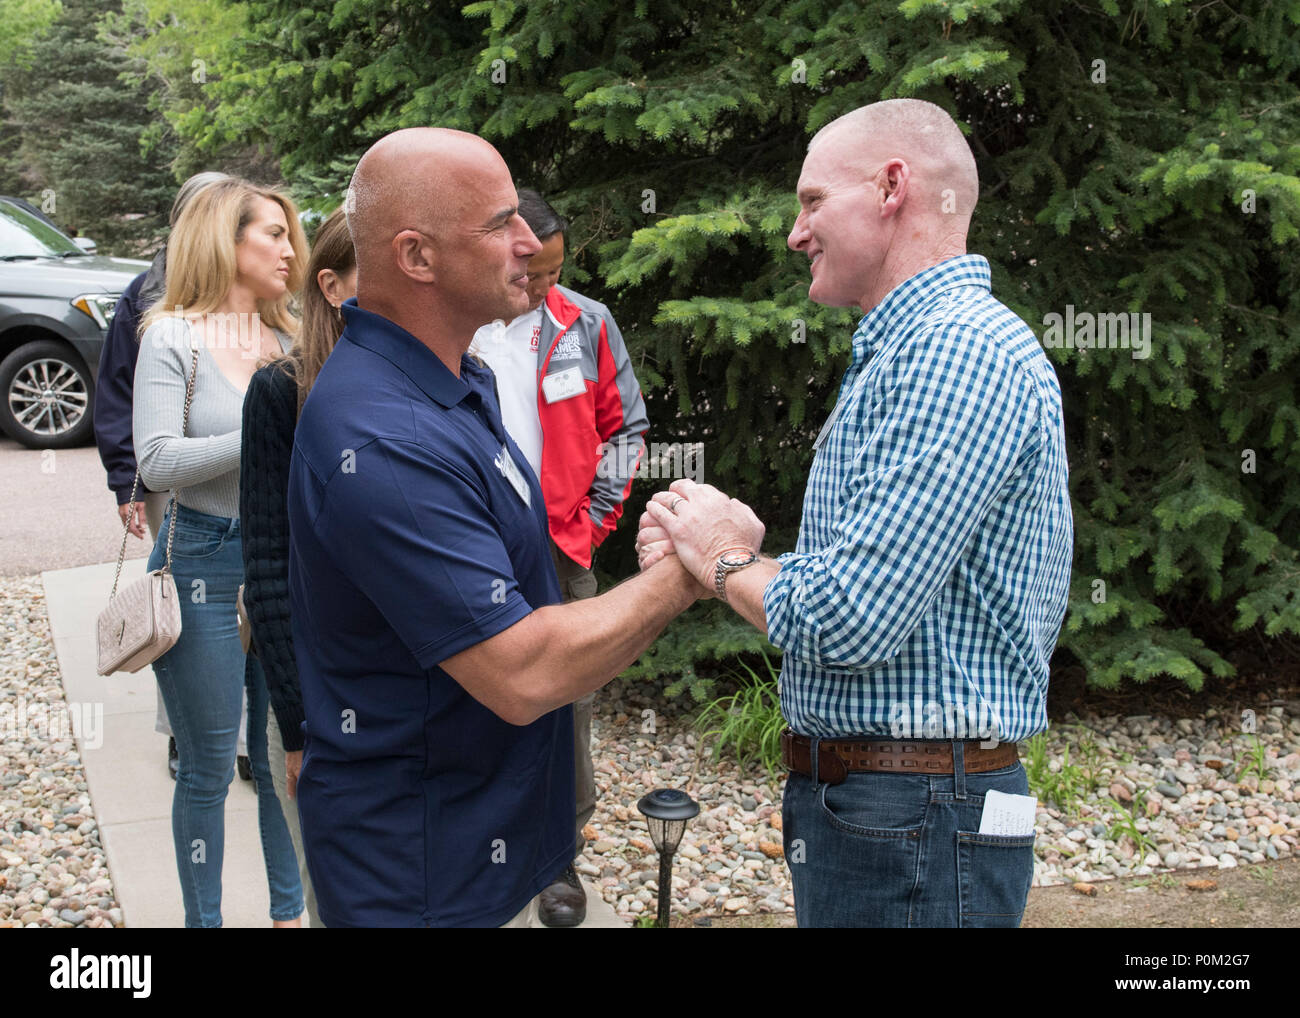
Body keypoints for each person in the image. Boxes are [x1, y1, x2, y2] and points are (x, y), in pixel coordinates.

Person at [637, 98, 1074, 928]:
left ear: (891, 188)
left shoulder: (955, 352)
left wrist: (721, 555)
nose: (796, 233)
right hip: (900, 811)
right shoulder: (914, 349)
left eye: (811, 202)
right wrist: (751, 555)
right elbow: (894, 596)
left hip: (912, 816)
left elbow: (850, 620)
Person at [287, 127, 702, 928]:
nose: (529, 242)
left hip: (474, 839)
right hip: (421, 868)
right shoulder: (386, 438)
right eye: (499, 224)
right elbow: (522, 675)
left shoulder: (454, 378)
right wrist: (691, 568)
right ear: (416, 257)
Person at [468, 188, 648, 926]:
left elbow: (626, 430)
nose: (542, 288)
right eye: (530, 272)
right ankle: (473, 843)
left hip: (560, 548)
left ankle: (557, 857)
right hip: (472, 544)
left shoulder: (587, 323)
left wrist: (589, 525)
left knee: (564, 707)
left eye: (553, 271)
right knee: (473, 694)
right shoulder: (461, 326)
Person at [133, 177, 309, 928]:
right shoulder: (172, 334)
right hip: (201, 558)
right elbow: (157, 463)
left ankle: (288, 916)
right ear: (222, 241)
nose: (289, 248)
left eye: (289, 234)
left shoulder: (297, 338)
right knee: (206, 771)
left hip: (284, 566)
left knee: (284, 765)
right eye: (271, 233)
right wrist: (263, 426)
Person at [93, 171, 254, 784]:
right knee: (177, 608)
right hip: (171, 479)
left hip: (238, 487)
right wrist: (123, 481)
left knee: (237, 617)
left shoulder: (249, 296)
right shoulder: (145, 295)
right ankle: (183, 732)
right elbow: (115, 392)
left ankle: (240, 736)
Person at [239, 206, 356, 929]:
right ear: (334, 287)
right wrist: (298, 730)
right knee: (339, 897)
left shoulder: (447, 380)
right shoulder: (283, 393)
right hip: (326, 696)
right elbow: (270, 573)